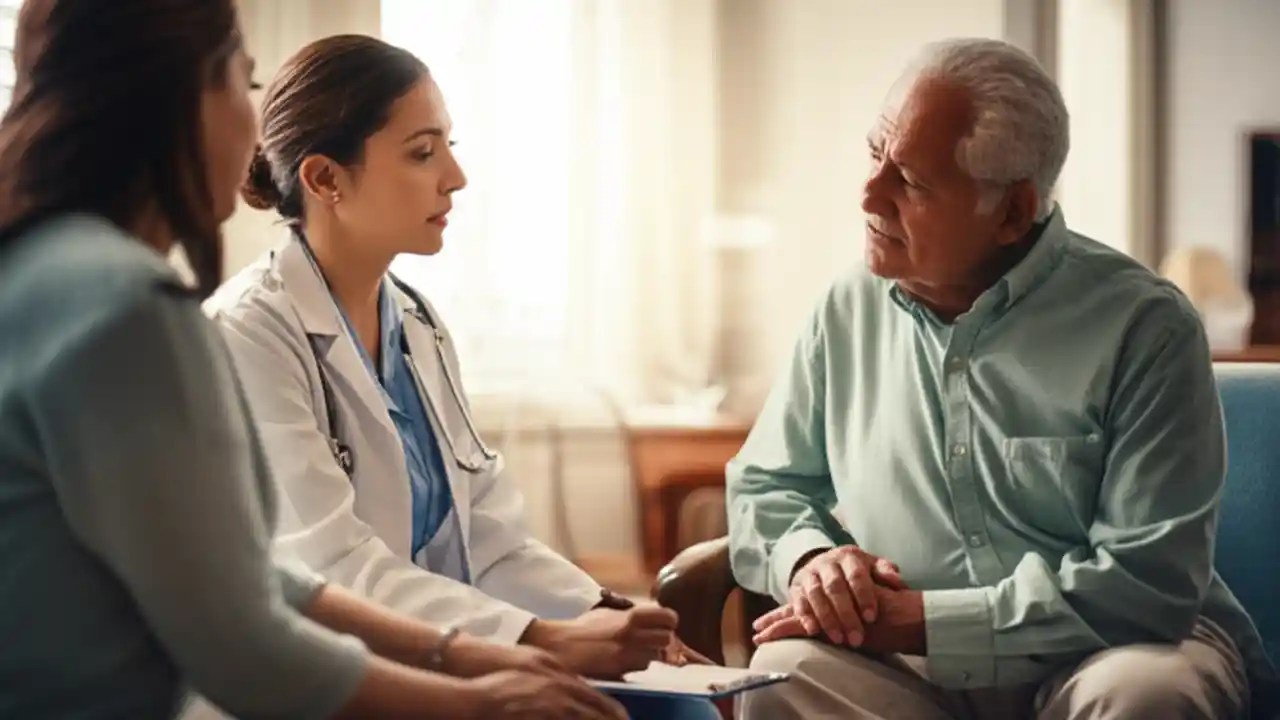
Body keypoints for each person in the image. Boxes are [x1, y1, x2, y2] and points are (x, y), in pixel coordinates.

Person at [0, 2, 628, 718]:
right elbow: (244, 639)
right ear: (179, 97)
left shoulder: (41, 275)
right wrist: (483, 697)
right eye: (244, 80)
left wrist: (504, 649)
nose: (253, 121)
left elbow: (247, 577)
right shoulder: (128, 311)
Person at [728, 38, 1276, 719]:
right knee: (783, 672)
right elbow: (764, 484)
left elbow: (1145, 586)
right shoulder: (843, 311)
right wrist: (811, 562)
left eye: (912, 182)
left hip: (1112, 650)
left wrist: (919, 619)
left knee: (1147, 696)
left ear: (1013, 212)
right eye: (876, 154)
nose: (869, 194)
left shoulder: (1147, 327)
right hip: (910, 668)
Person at [203, 34, 716, 720]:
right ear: (326, 180)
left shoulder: (415, 321)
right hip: (352, 674)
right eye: (422, 152)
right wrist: (541, 640)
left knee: (676, 708)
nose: (455, 175)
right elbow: (331, 568)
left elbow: (490, 534)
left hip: (462, 646)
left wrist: (606, 614)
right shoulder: (247, 332)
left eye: (449, 144)